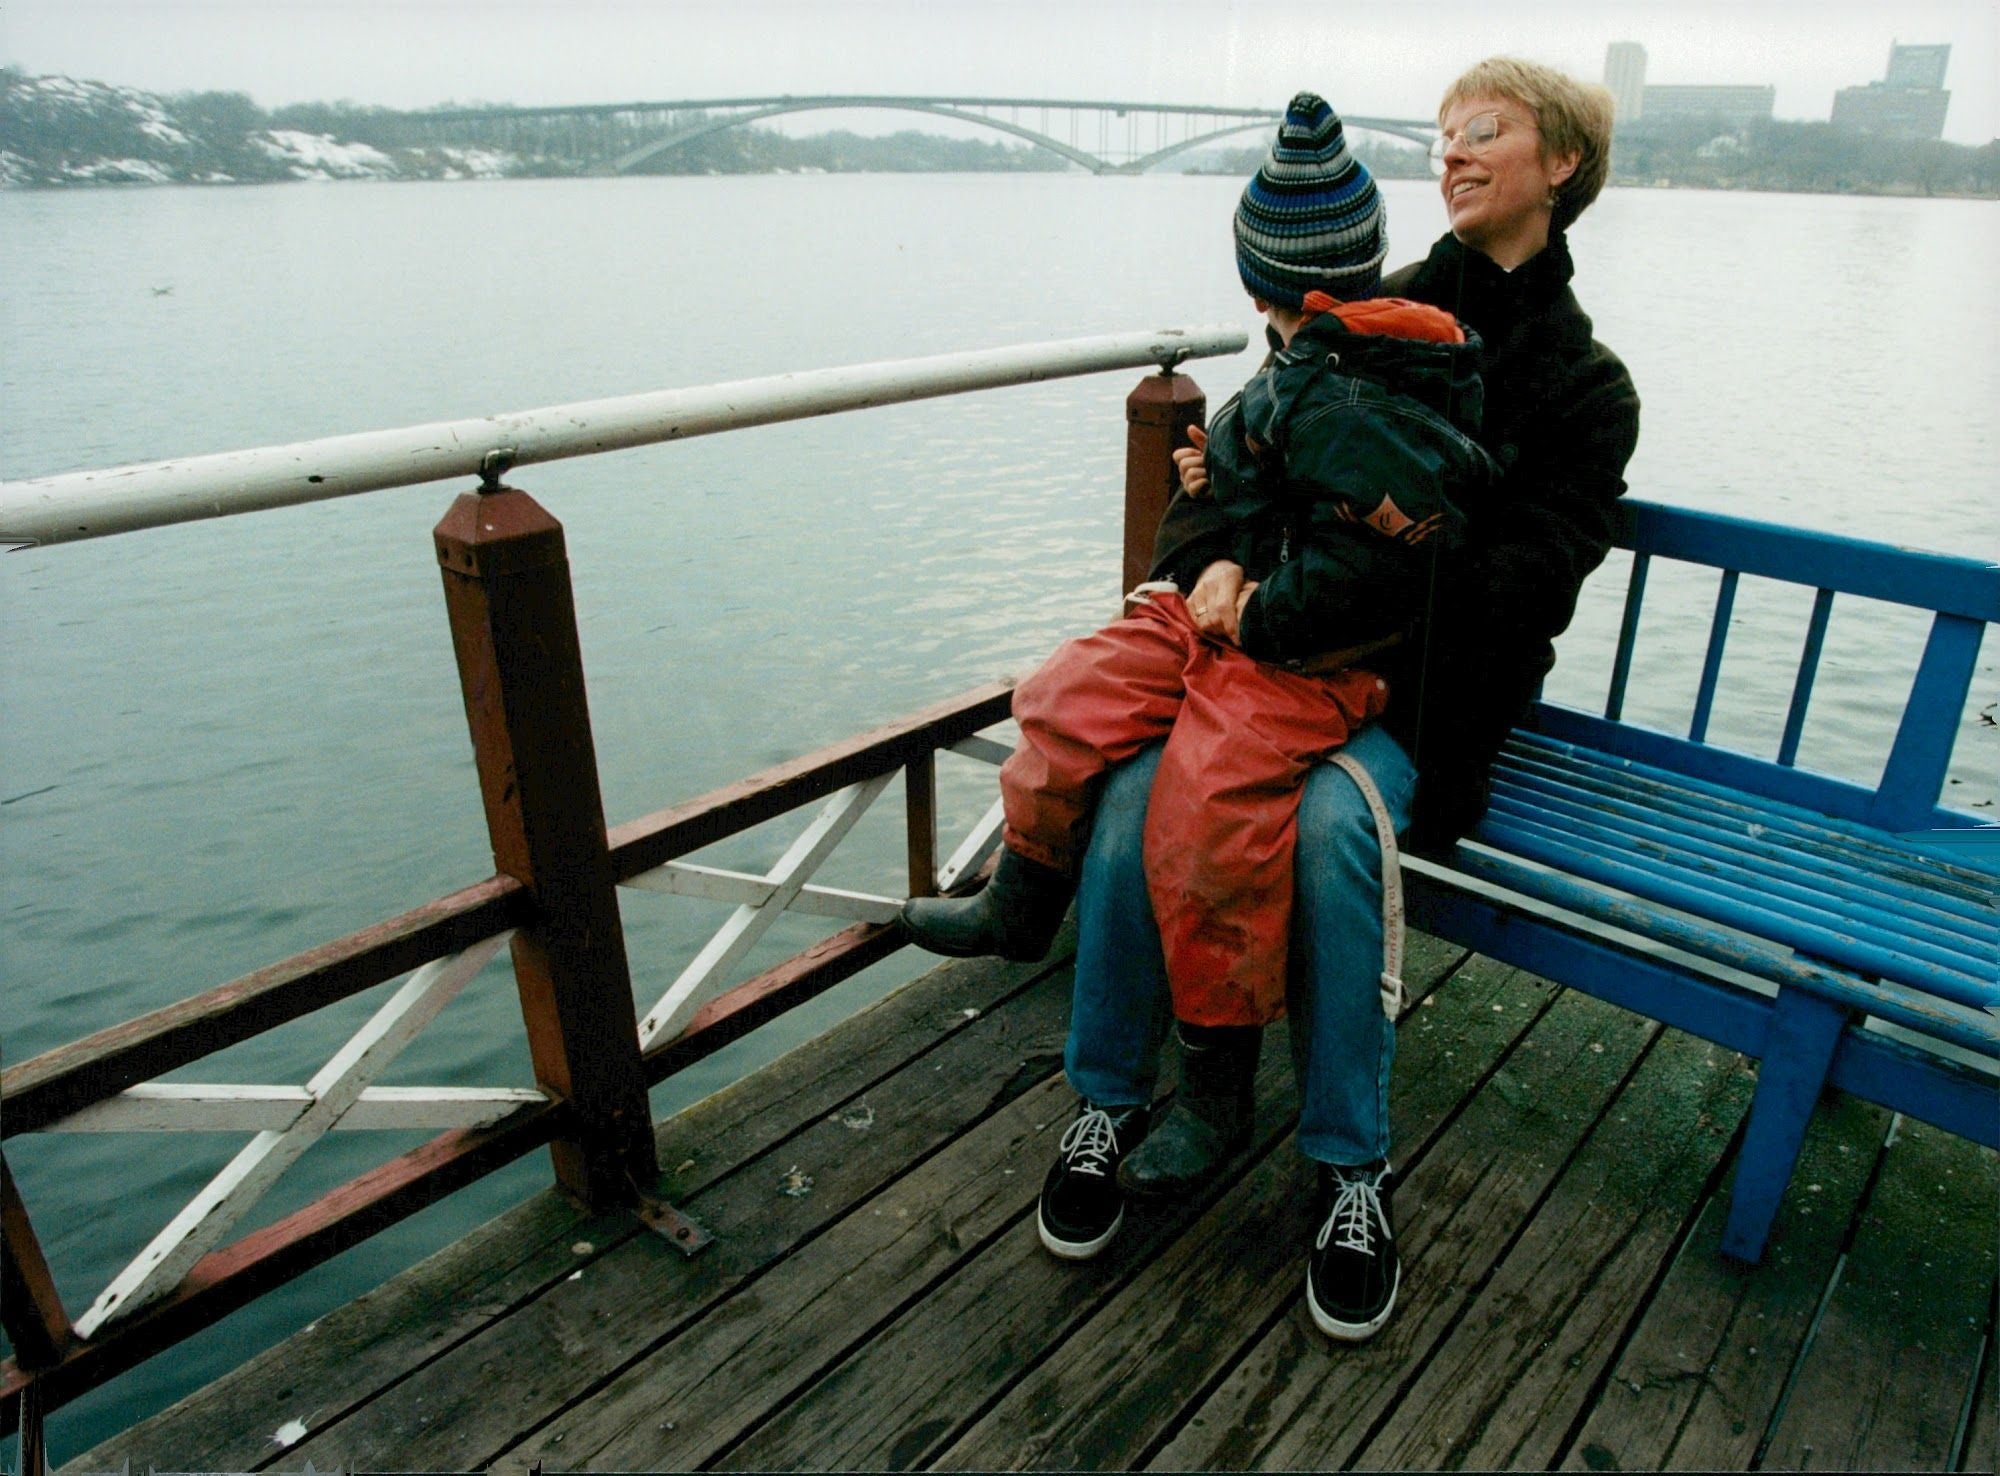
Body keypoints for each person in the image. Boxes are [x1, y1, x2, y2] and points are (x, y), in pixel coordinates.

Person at [1035, 57, 1640, 1345]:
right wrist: (1213, 560)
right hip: (1275, 662)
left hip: (1422, 701)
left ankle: (1346, 1165)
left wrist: (1349, 561)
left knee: (1325, 831)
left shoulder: (1587, 390)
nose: (1454, 152)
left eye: (1487, 131)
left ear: (1562, 167)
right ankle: (1110, 1094)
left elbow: (1513, 594)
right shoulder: (1372, 309)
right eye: (1444, 133)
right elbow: (1224, 485)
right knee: (1137, 783)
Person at [901, 94, 1494, 1043]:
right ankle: (1021, 896)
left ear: (1260, 283)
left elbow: (1377, 569)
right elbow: (1220, 504)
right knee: (1071, 690)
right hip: (1229, 612)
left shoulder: (1362, 398)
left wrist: (1250, 610)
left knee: (1207, 819)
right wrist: (1217, 515)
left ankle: (1217, 1068)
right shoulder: (1297, 365)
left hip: (1305, 653)